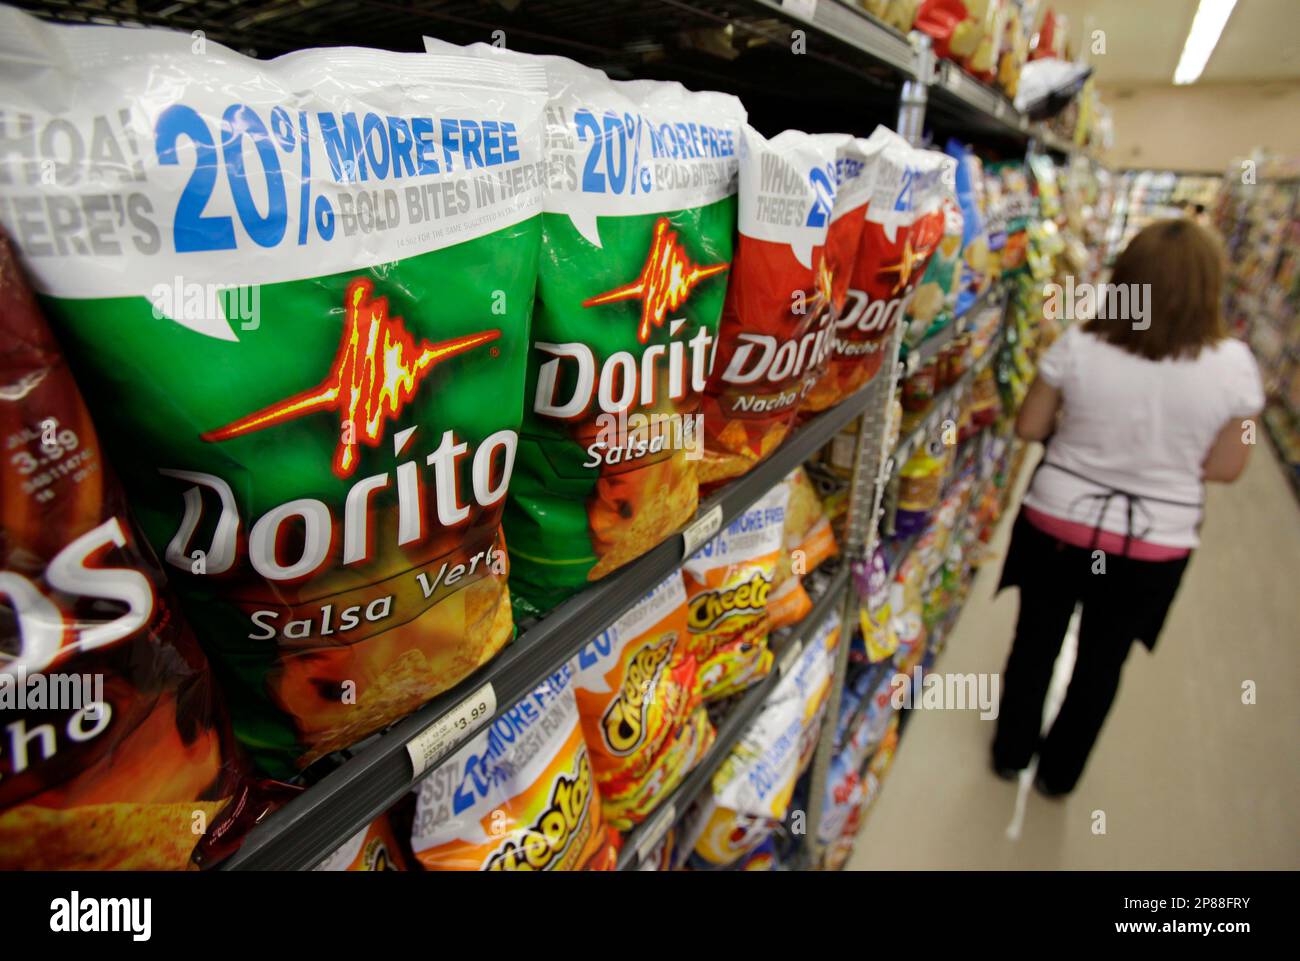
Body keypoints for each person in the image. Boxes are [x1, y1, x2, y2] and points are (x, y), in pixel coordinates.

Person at [991, 218, 1264, 796]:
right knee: (1102, 663)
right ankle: (1059, 777)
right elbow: (1229, 466)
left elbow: (1030, 425)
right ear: (1209, 287)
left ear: (1125, 280)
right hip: (1152, 544)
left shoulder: (1080, 346)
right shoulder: (1236, 368)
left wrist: (1085, 437)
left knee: (1035, 642)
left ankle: (1010, 752)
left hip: (1058, 523)